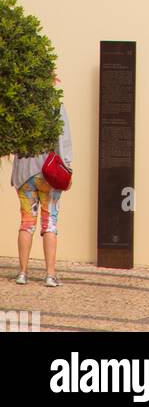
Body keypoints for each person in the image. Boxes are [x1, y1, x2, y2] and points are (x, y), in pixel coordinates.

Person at [13, 82, 72, 288]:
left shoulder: (20, 102)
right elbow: (63, 139)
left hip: (24, 172)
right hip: (48, 172)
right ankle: (50, 275)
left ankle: (22, 273)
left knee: (26, 222)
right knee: (50, 222)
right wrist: (67, 168)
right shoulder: (54, 103)